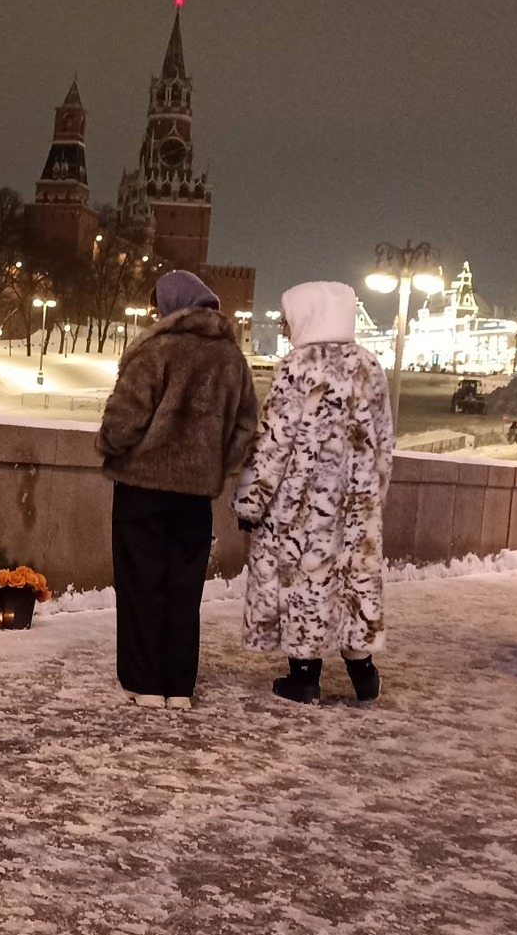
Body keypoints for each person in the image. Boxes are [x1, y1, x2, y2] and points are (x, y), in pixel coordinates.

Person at [96, 269, 260, 708]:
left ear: (170, 305)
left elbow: (123, 419)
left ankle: (145, 682)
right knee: (184, 588)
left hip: (142, 488)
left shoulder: (156, 350)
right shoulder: (231, 358)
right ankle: (179, 686)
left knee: (141, 582)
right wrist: (216, 465)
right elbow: (246, 426)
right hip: (194, 495)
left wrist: (110, 447)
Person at [231, 281, 396, 704]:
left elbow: (273, 443)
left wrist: (250, 503)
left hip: (301, 506)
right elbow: (384, 444)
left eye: (288, 320)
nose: (285, 329)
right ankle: (364, 673)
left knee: (306, 581)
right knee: (354, 582)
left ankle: (304, 677)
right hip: (357, 505)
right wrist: (371, 498)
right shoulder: (370, 366)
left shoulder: (297, 367)